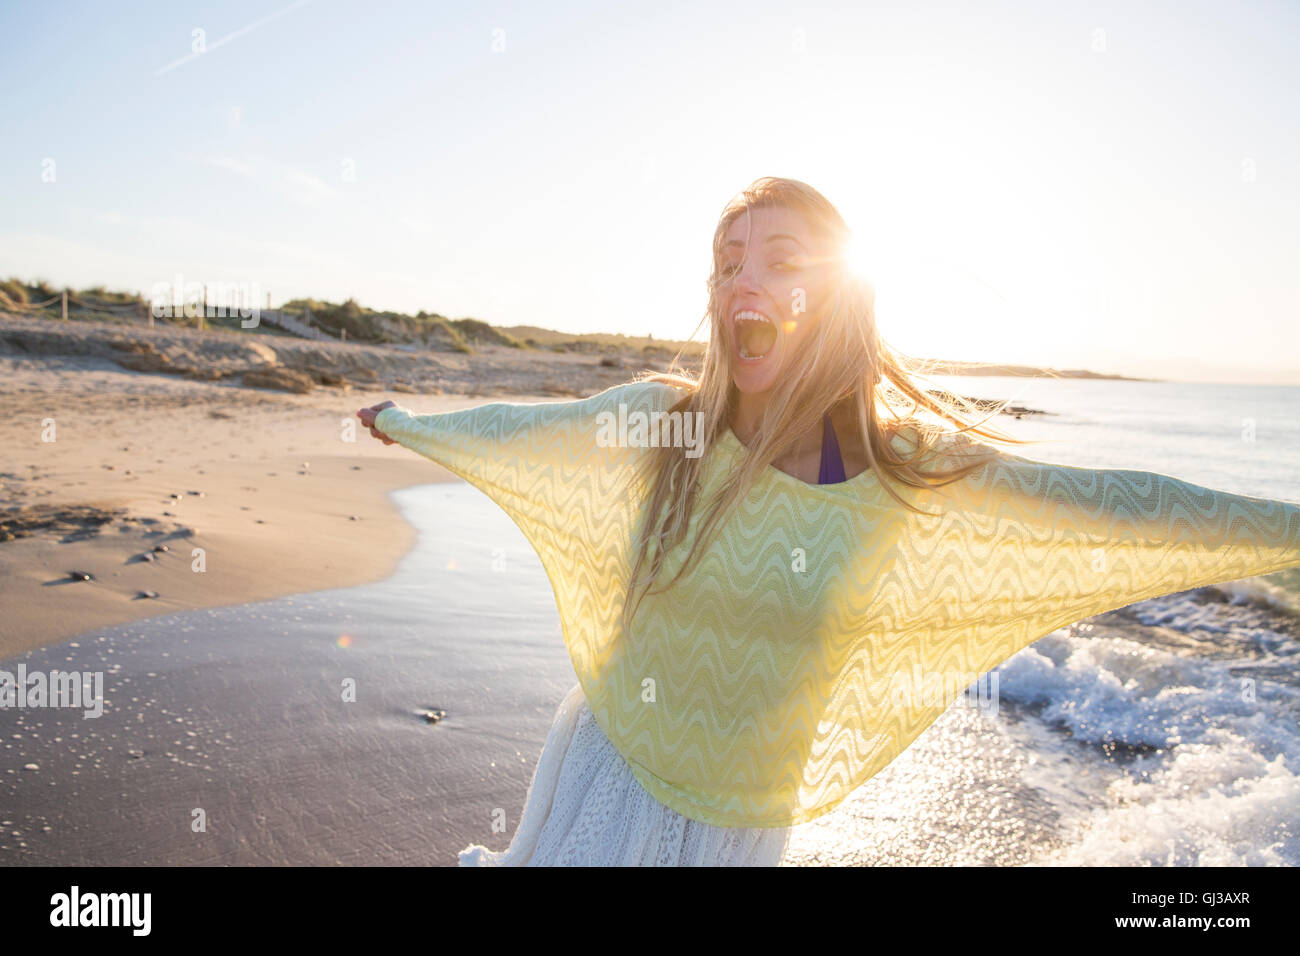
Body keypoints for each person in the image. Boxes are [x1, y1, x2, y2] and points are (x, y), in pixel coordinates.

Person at [357, 177, 1300, 866]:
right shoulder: (667, 426)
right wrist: (410, 427)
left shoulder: (900, 474)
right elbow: (530, 436)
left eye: (779, 262)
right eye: (727, 265)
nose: (742, 283)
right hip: (615, 757)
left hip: (740, 816)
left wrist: (1285, 526)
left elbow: (1113, 509)